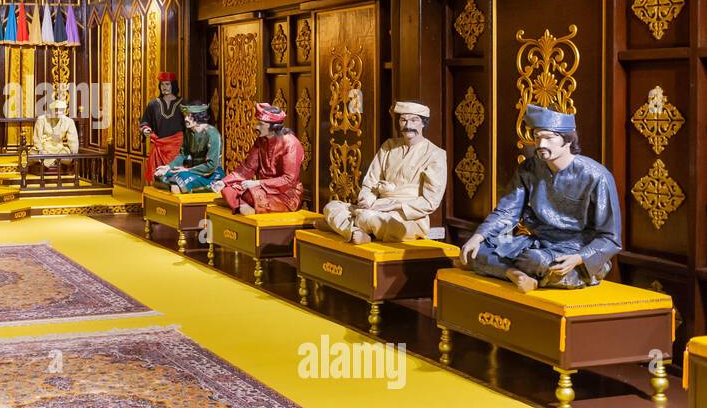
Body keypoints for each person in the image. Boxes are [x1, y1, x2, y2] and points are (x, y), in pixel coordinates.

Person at [460, 105, 620, 292]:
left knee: (536, 261)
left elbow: (610, 238)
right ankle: (515, 274)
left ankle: (508, 270)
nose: (541, 144)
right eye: (537, 137)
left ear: (568, 140)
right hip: (537, 242)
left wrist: (579, 258)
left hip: (574, 249)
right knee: (475, 250)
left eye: (549, 138)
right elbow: (507, 212)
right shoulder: (529, 168)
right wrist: (479, 236)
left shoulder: (596, 176)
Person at [319, 100, 447, 244]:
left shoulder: (436, 154)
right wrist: (367, 200)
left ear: (423, 123)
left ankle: (344, 227)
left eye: (414, 120)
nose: (408, 125)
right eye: (403, 120)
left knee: (370, 218)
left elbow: (430, 202)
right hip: (376, 206)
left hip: (408, 217)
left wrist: (392, 206)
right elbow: (371, 182)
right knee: (332, 207)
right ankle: (355, 231)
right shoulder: (389, 146)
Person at [213, 102, 304, 214]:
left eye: (261, 124)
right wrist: (224, 182)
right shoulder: (261, 141)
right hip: (262, 189)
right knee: (228, 189)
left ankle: (243, 206)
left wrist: (258, 183)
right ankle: (244, 206)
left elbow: (288, 180)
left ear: (273, 126)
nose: (257, 127)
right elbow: (247, 168)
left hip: (285, 194)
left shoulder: (290, 143)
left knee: (247, 194)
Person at [153, 101, 224, 193]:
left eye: (189, 116)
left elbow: (211, 165)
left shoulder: (212, 134)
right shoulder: (189, 132)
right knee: (160, 175)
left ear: (199, 116)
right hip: (191, 170)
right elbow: (183, 154)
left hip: (211, 174)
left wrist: (188, 170)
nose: (186, 119)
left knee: (179, 180)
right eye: (185, 115)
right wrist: (168, 167)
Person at [139, 72, 185, 176]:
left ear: (173, 85)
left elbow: (188, 125)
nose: (164, 87)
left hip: (176, 147)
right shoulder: (153, 104)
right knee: (159, 175)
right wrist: (145, 129)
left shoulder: (182, 103)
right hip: (159, 146)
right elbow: (145, 121)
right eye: (162, 84)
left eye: (167, 84)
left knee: (175, 175)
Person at [31, 100, 79, 169]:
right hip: (44, 149)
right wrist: (41, 150)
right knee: (32, 154)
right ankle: (52, 161)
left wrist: (74, 154)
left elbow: (73, 140)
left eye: (61, 110)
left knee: (67, 157)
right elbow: (36, 138)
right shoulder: (41, 120)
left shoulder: (69, 122)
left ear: (65, 111)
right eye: (55, 110)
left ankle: (51, 161)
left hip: (58, 149)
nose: (58, 112)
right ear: (51, 110)